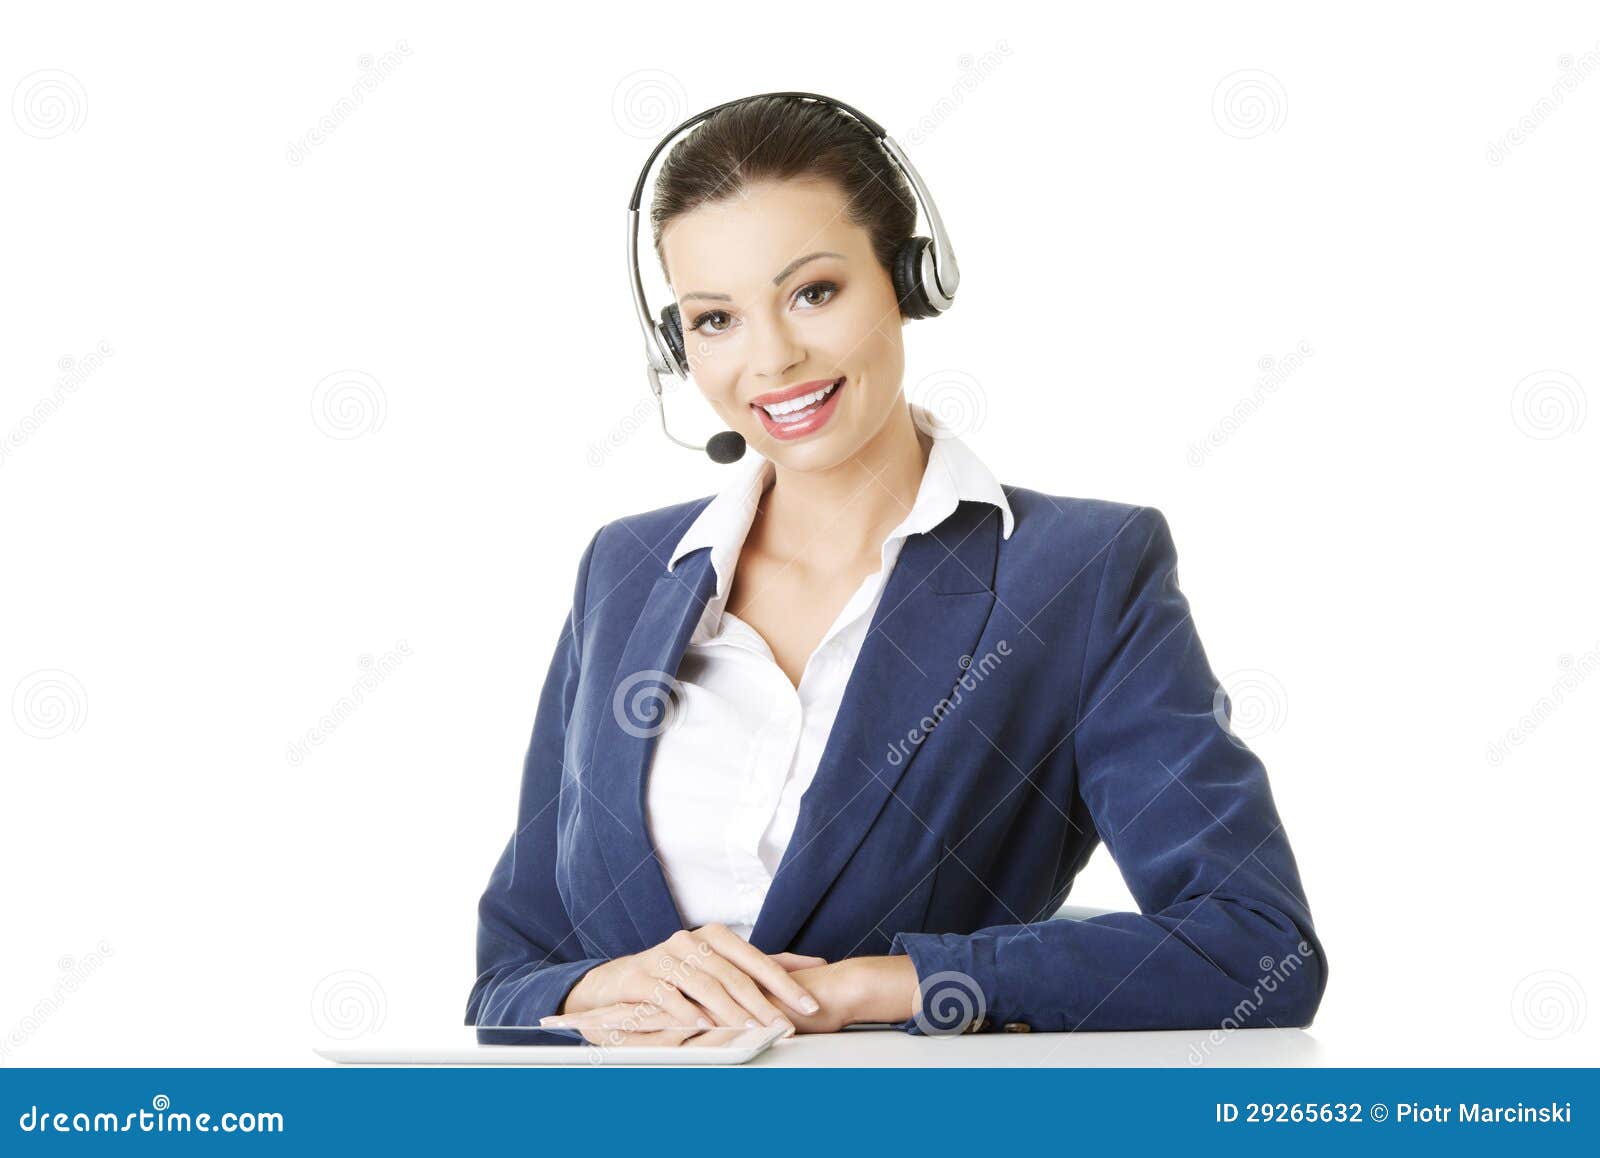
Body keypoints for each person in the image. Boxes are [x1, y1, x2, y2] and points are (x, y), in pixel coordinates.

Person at [465, 93, 1326, 1044]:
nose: (773, 358)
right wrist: (604, 987)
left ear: (909, 282)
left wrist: (878, 988)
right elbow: (512, 973)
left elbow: (1253, 948)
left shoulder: (1077, 575)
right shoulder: (626, 570)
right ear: (678, 345)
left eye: (813, 293)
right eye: (715, 319)